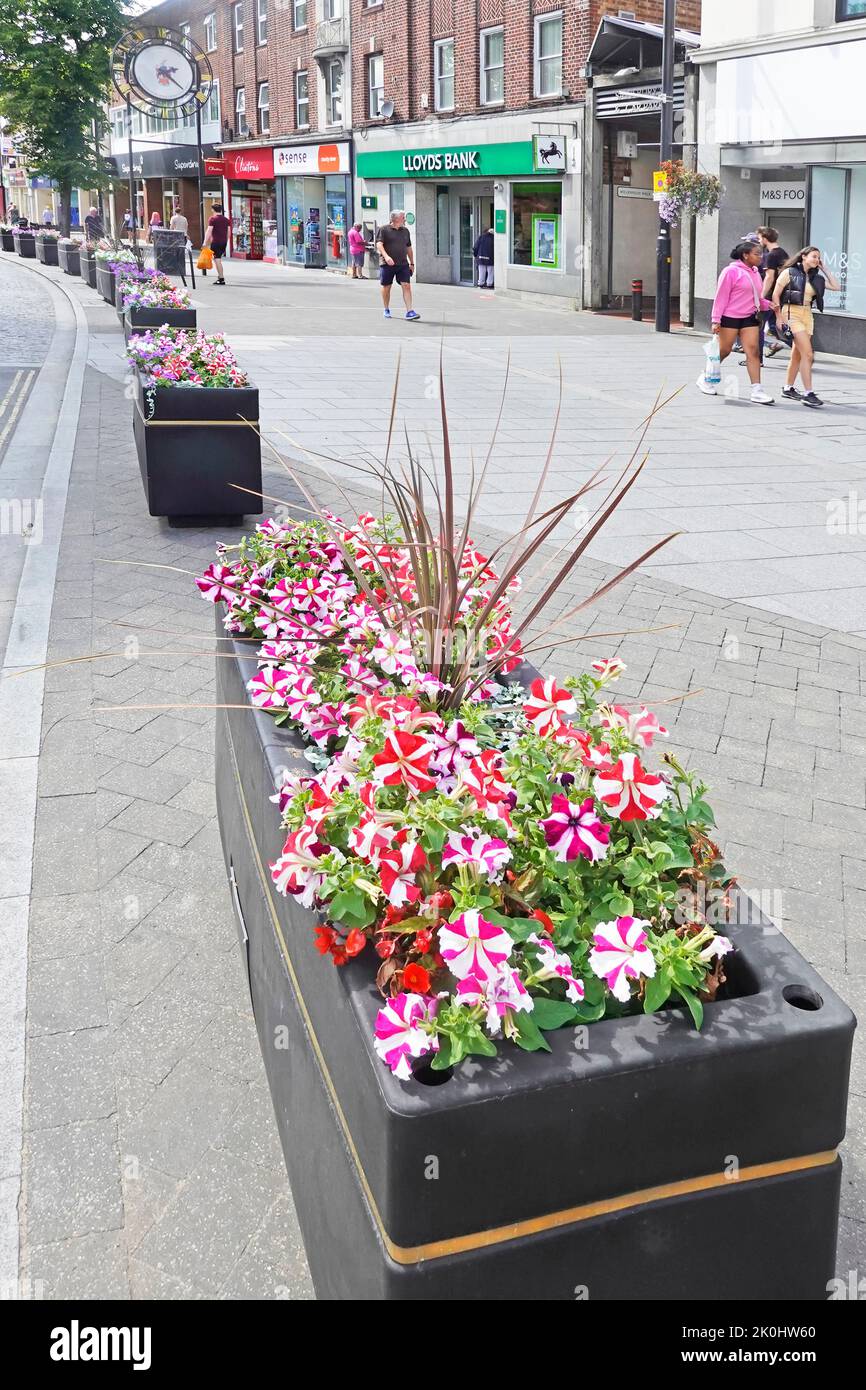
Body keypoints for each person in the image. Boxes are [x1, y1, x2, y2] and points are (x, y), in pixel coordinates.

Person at [698, 240, 775, 405]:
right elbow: (721, 297)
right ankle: (706, 377)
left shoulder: (755, 272)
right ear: (745, 255)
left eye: (761, 253)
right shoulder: (730, 272)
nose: (761, 257)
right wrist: (715, 320)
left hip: (749, 317)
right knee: (724, 351)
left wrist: (769, 305)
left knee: (753, 352)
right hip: (730, 317)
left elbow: (757, 297)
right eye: (757, 254)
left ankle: (757, 390)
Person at [773, 246, 841, 408]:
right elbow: (775, 294)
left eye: (818, 257)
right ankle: (808, 393)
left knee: (797, 355)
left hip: (807, 315)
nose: (817, 259)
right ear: (803, 256)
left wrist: (825, 269)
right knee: (808, 354)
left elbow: (836, 286)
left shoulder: (816, 278)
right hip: (791, 313)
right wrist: (778, 317)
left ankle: (788, 388)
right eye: (814, 256)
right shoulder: (789, 272)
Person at [376, 211, 420, 320]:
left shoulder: (405, 231)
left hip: (403, 264)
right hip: (387, 264)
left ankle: (410, 311)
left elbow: (409, 247)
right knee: (387, 286)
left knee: (406, 285)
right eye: (403, 217)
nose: (405, 219)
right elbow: (379, 244)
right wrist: (386, 257)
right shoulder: (384, 229)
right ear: (395, 219)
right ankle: (386, 309)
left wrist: (412, 263)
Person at [757, 226, 789, 359]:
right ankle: (803, 350)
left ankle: (757, 360)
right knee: (777, 327)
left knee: (758, 328)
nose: (759, 241)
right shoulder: (783, 253)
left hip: (770, 297)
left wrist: (761, 296)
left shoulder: (770, 255)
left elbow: (769, 277)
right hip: (780, 295)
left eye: (759, 238)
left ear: (764, 239)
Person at [204, 202, 230, 285]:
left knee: (217, 259)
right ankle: (220, 277)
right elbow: (229, 232)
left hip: (216, 242)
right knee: (218, 259)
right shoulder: (226, 220)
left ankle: (221, 278)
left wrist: (205, 242)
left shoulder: (212, 219)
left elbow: (209, 231)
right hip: (223, 242)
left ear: (213, 210)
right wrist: (226, 240)